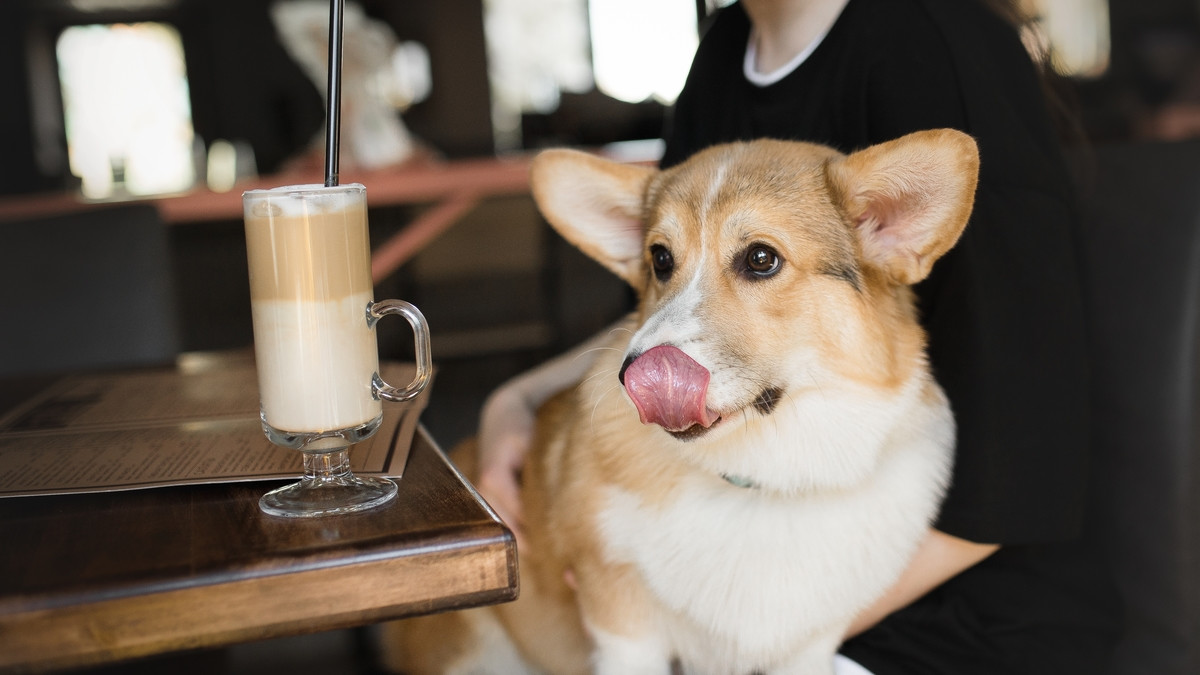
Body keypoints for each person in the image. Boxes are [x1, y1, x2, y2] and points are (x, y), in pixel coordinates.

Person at [476, 1, 1122, 673]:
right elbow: (674, 314)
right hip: (760, 581)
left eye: (760, 260)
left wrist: (736, 642)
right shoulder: (727, 49)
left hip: (958, 622)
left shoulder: (936, 45)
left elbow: (1025, 462)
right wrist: (515, 400)